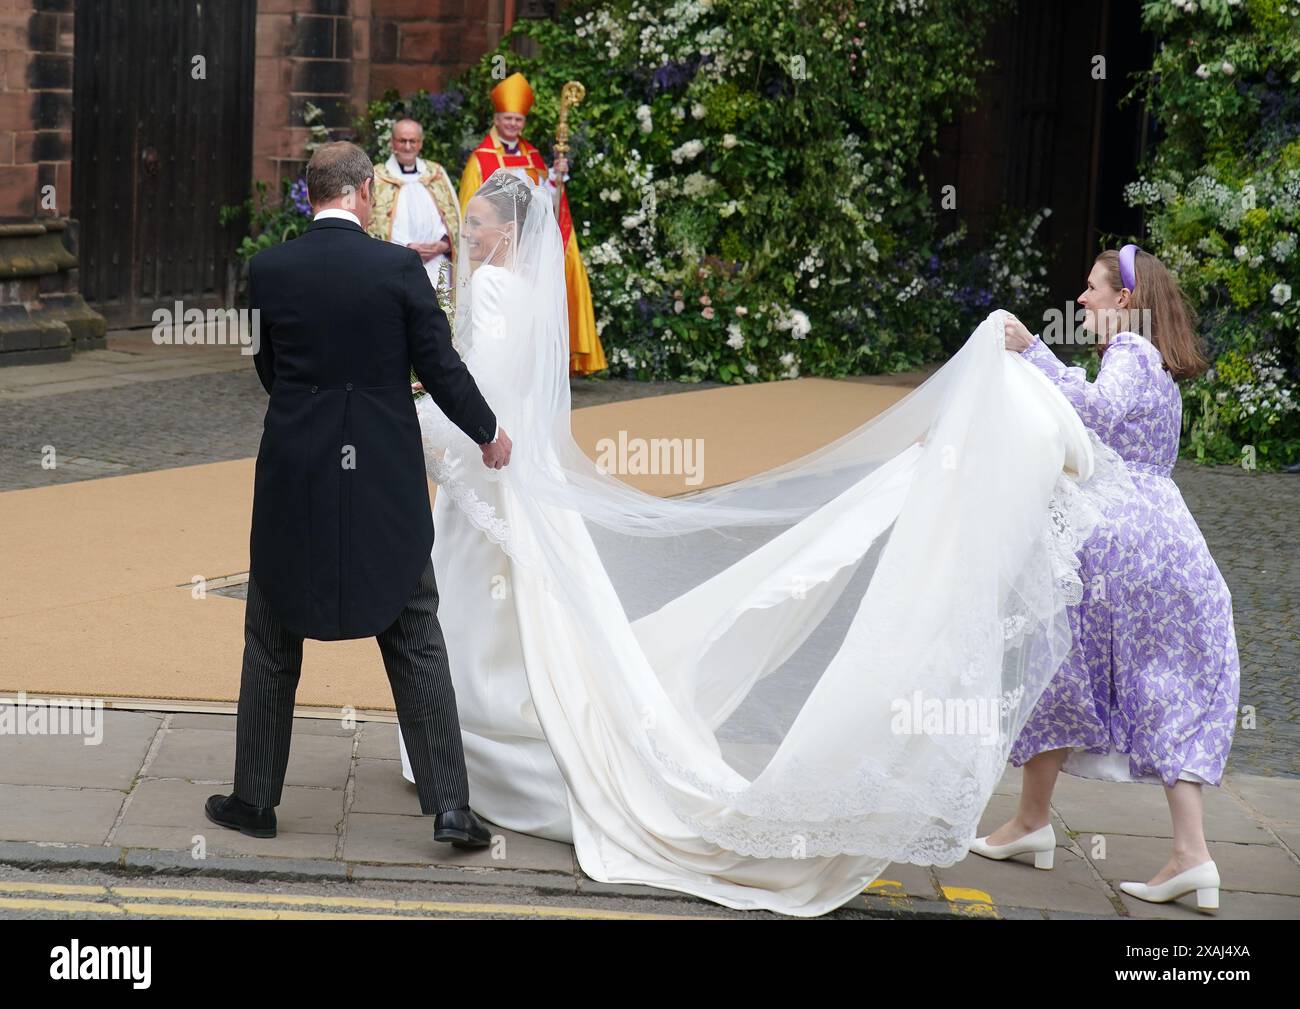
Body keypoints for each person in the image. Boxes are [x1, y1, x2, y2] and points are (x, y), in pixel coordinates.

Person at [396, 170, 1122, 916]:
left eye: (479, 224)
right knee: (516, 626)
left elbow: (478, 392)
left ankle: (476, 760)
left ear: (509, 234)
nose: (469, 236)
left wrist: (411, 422)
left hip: (489, 475)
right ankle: (479, 755)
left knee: (478, 619)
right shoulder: (525, 292)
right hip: (515, 476)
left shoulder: (489, 290)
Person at [204, 141, 512, 852]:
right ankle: (451, 809)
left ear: (311, 195)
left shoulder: (270, 269)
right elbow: (440, 366)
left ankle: (255, 800)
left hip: (295, 472)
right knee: (415, 634)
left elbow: (270, 368)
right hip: (383, 477)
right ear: (365, 192)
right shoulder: (399, 267)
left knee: (272, 635)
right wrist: (489, 431)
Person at [977, 245, 1240, 912]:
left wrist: (1033, 350)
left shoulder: (1129, 353)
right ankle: (1189, 854)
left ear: (1126, 299)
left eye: (1092, 289)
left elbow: (1092, 413)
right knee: (1162, 686)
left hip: (1117, 544)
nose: (1084, 300)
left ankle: (1034, 822)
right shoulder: (1154, 362)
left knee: (1057, 664)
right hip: (1172, 544)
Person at [457, 71, 606, 376]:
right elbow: (470, 210)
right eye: (508, 118)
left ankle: (541, 362)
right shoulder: (480, 160)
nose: (513, 124)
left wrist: (555, 176)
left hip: (527, 247)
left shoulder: (532, 154)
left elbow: (542, 202)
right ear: (497, 118)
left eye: (518, 120)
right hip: (496, 247)